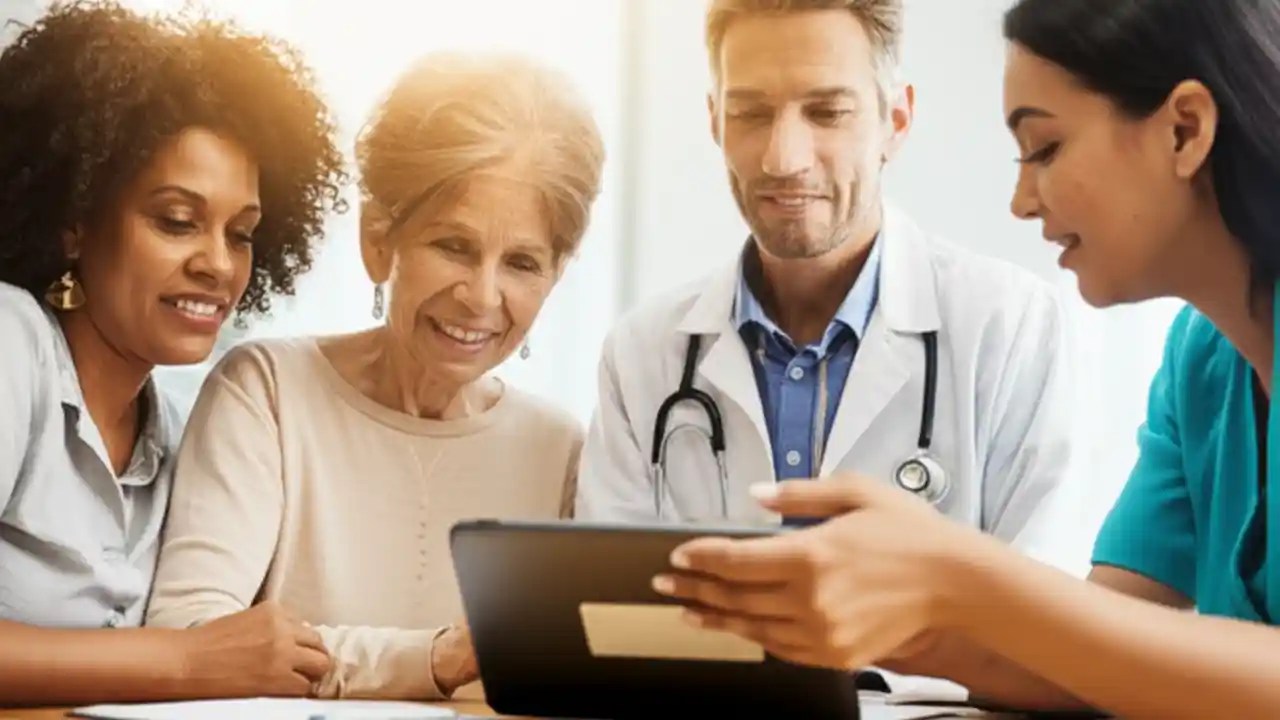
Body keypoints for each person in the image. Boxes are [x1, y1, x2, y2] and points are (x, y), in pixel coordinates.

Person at [651, 0, 1280, 717]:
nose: (1018, 200)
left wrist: (953, 572)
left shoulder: (1017, 323)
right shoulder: (1201, 368)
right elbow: (1086, 660)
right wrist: (843, 609)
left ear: (1185, 130)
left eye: (1044, 149)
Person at [144, 52, 606, 701]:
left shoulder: (560, 450)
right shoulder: (270, 392)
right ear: (378, 239)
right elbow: (193, 634)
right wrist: (436, 659)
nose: (482, 296)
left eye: (523, 263)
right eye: (454, 246)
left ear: (555, 276)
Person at [576, 0, 1074, 558]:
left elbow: (1041, 611)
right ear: (715, 121)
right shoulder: (642, 356)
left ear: (896, 122)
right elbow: (605, 620)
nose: (784, 159)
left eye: (827, 112)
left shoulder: (1008, 328)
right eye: (751, 114)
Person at [0, 0, 347, 706]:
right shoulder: (12, 344)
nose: (218, 265)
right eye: (177, 221)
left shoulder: (189, 426)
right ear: (74, 223)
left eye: (242, 233)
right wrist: (186, 660)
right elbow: (198, 656)